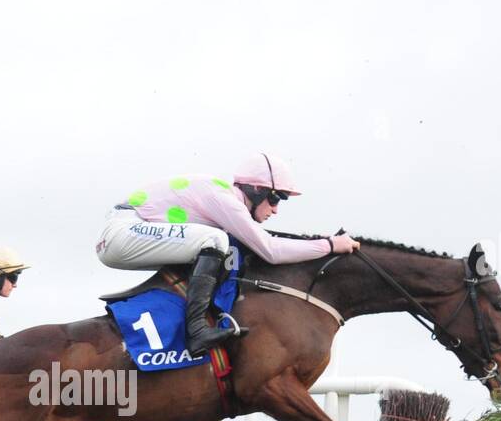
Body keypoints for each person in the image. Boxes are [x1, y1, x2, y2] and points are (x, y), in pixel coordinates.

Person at [95, 152, 359, 356]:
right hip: (122, 233)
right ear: (256, 190)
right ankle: (196, 331)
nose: (275, 210)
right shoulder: (227, 201)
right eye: (276, 199)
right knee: (215, 240)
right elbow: (271, 250)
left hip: (129, 233)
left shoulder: (224, 199)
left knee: (215, 249)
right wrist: (330, 245)